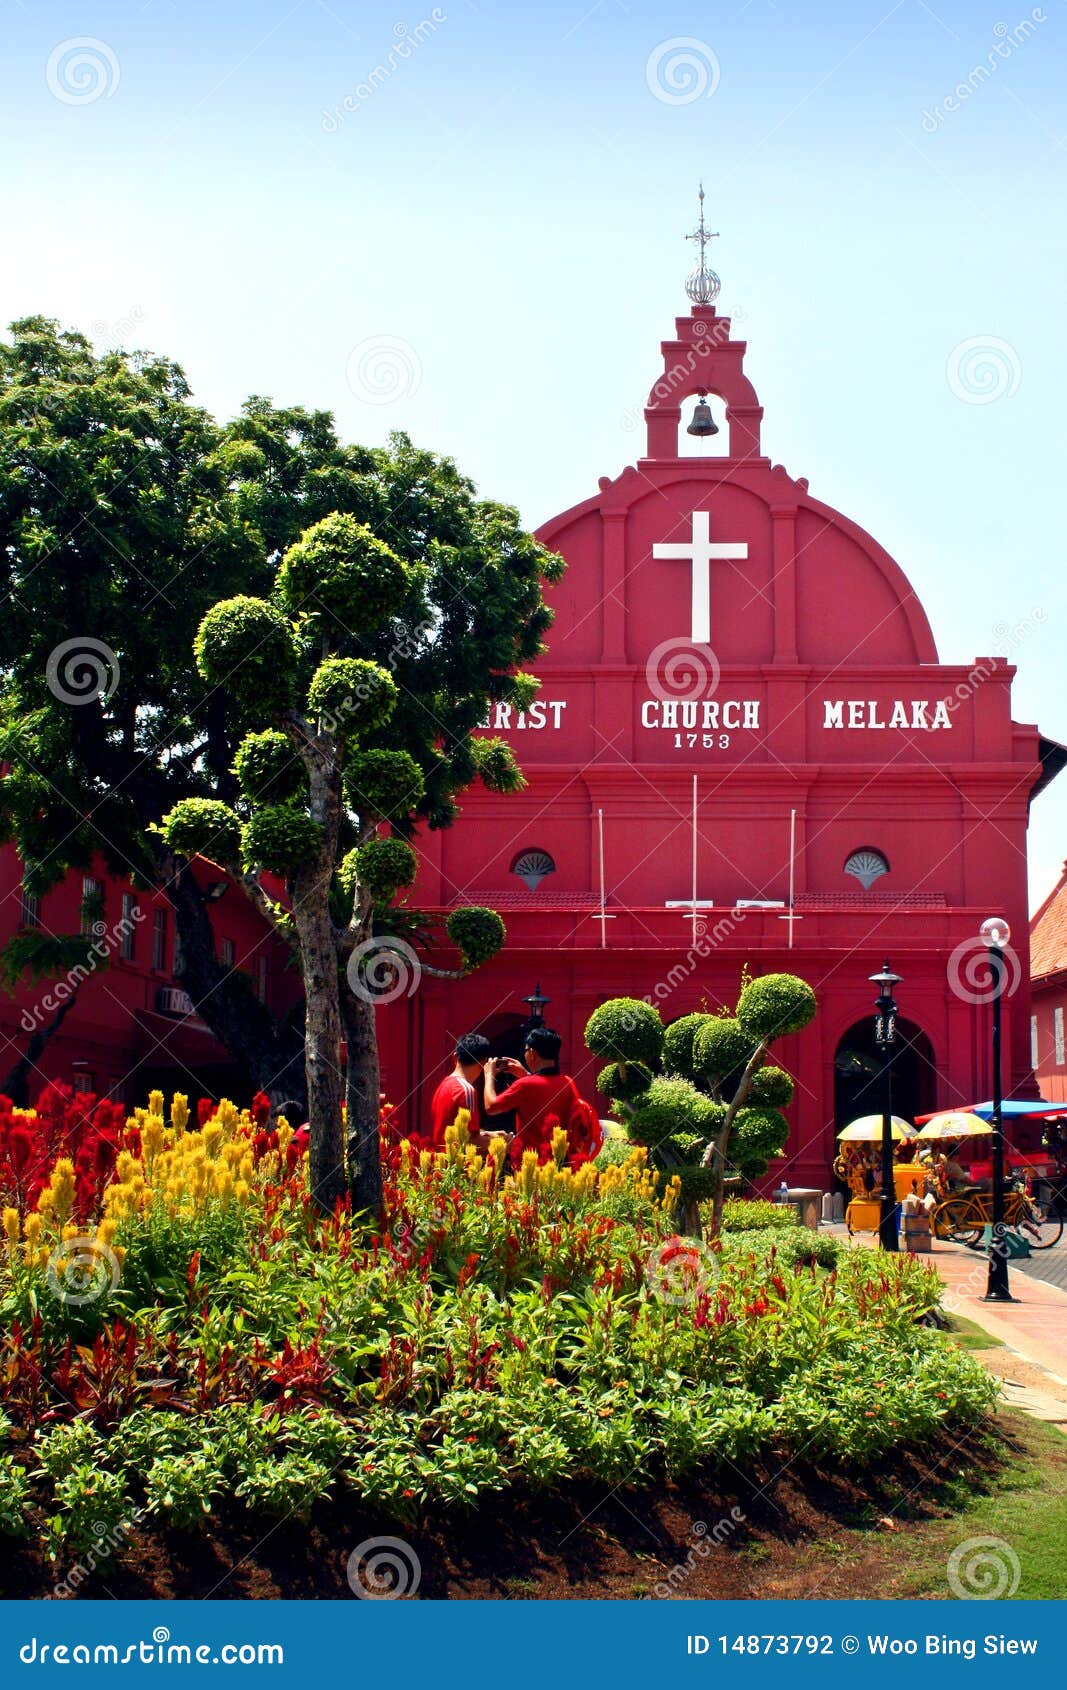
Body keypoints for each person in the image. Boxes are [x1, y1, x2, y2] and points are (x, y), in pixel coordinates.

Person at [483, 1026, 599, 1167]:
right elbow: (545, 1089)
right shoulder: (567, 1082)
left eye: (526, 1050)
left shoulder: (525, 1085)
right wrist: (526, 1075)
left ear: (532, 1053)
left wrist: (489, 1076)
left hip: (531, 1164)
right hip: (561, 1162)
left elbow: (491, 1107)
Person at [428, 1033, 492, 1149]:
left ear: (455, 1057)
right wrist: (503, 1143)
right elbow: (471, 1140)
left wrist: (492, 1134)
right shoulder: (467, 1090)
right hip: (458, 1165)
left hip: (441, 1161)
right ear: (483, 1063)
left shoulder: (443, 1086)